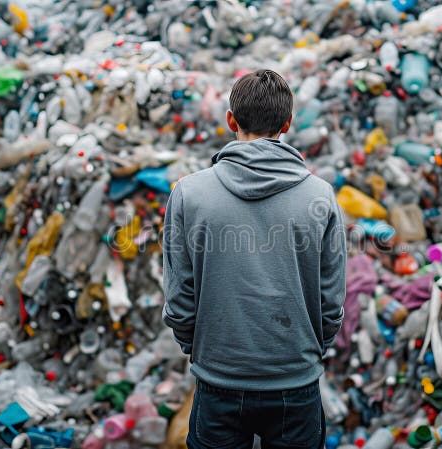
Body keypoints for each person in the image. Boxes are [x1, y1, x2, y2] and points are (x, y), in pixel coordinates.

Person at [162, 69, 347, 449]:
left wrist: (201, 349)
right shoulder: (320, 196)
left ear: (230, 120)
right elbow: (331, 302)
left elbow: (179, 300)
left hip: (218, 379)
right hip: (295, 381)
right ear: (288, 123)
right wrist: (308, 348)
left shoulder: (189, 193)